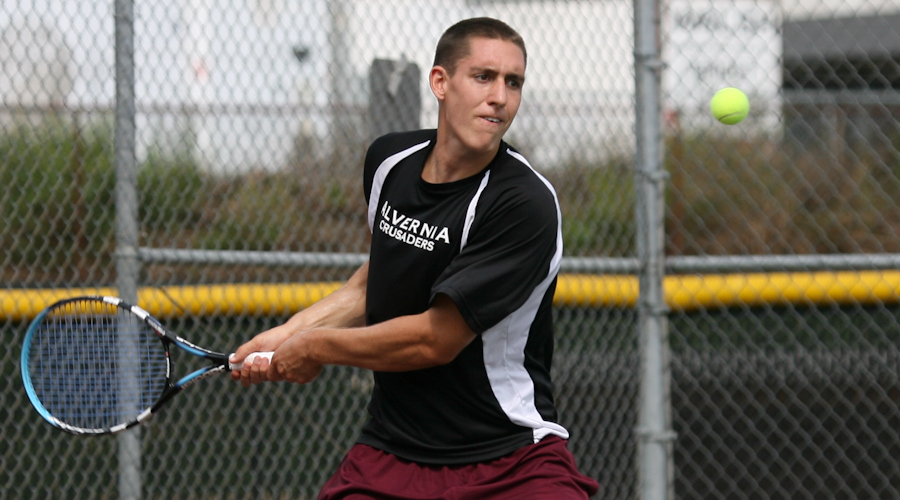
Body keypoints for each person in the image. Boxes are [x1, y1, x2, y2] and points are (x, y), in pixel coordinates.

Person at [231, 17, 600, 499]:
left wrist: (315, 346)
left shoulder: (523, 202)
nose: (500, 97)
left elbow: (436, 339)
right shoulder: (388, 161)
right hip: (390, 454)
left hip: (510, 462)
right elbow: (375, 278)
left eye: (514, 82)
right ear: (440, 83)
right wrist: (288, 332)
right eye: (483, 77)